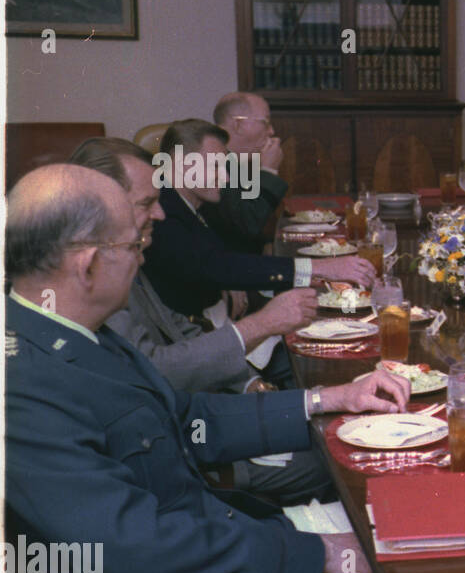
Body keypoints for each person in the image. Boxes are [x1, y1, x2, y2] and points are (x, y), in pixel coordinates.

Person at [4, 165, 445, 573]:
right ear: (87, 263)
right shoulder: (25, 385)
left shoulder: (67, 330)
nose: (144, 255)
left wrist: (328, 398)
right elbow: (132, 545)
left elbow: (185, 422)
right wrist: (315, 557)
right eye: (134, 244)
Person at [70, 137, 331, 505]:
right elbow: (157, 374)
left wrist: (256, 384)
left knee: (332, 431)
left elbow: (178, 330)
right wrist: (263, 325)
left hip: (205, 414)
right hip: (191, 451)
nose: (160, 213)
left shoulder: (129, 257)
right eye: (147, 203)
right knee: (334, 458)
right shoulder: (91, 287)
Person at [143, 118, 374, 320]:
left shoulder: (187, 201)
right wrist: (321, 267)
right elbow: (216, 266)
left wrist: (226, 280)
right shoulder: (163, 213)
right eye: (215, 167)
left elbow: (219, 260)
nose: (225, 179)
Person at [204, 91, 291, 254]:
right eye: (265, 123)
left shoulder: (236, 161)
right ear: (238, 125)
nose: (271, 131)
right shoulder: (214, 164)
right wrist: (269, 171)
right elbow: (248, 224)